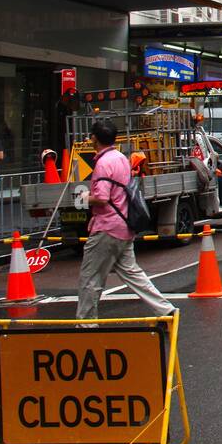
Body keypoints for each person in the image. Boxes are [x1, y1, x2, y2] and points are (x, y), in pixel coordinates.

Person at [76, 118, 176, 321]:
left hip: (107, 228)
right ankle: (165, 310)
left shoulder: (103, 163)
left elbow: (102, 198)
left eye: (91, 136)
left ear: (95, 138)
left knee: (90, 278)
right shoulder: (121, 157)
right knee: (133, 274)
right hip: (125, 226)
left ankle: (85, 325)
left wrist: (83, 197)